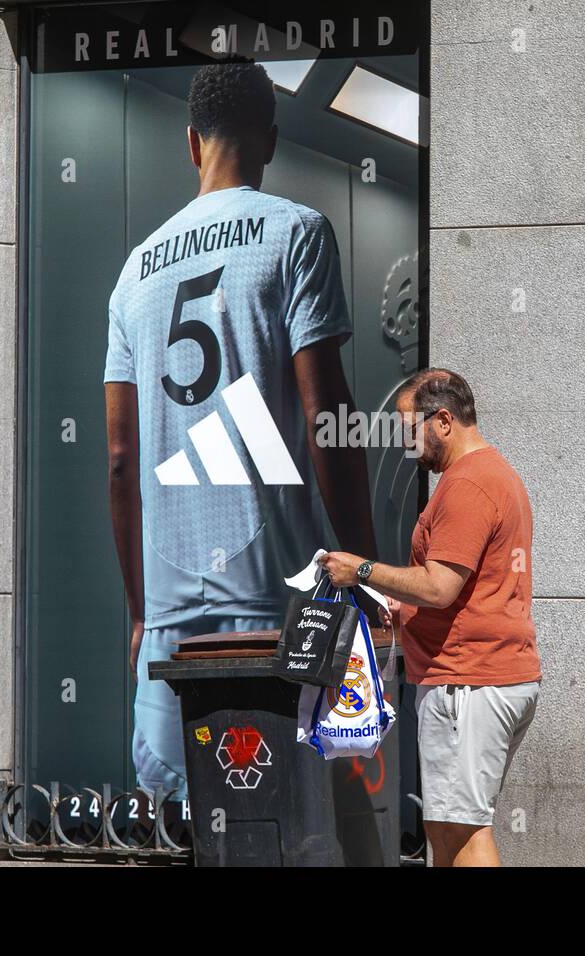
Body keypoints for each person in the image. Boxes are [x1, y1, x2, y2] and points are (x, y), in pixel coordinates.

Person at [104, 62, 376, 803]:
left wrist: (140, 612)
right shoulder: (296, 233)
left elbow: (122, 462)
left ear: (191, 143)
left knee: (189, 825)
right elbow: (328, 417)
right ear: (273, 141)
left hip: (171, 621)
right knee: (297, 820)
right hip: (281, 606)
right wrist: (369, 572)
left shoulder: (133, 277)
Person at [320, 368, 540, 867]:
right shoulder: (493, 474)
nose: (406, 444)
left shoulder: (469, 484)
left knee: (463, 831)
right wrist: (405, 602)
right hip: (481, 678)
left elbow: (441, 587)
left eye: (409, 429)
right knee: (445, 827)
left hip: (470, 682)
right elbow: (460, 585)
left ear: (443, 420)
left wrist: (363, 570)